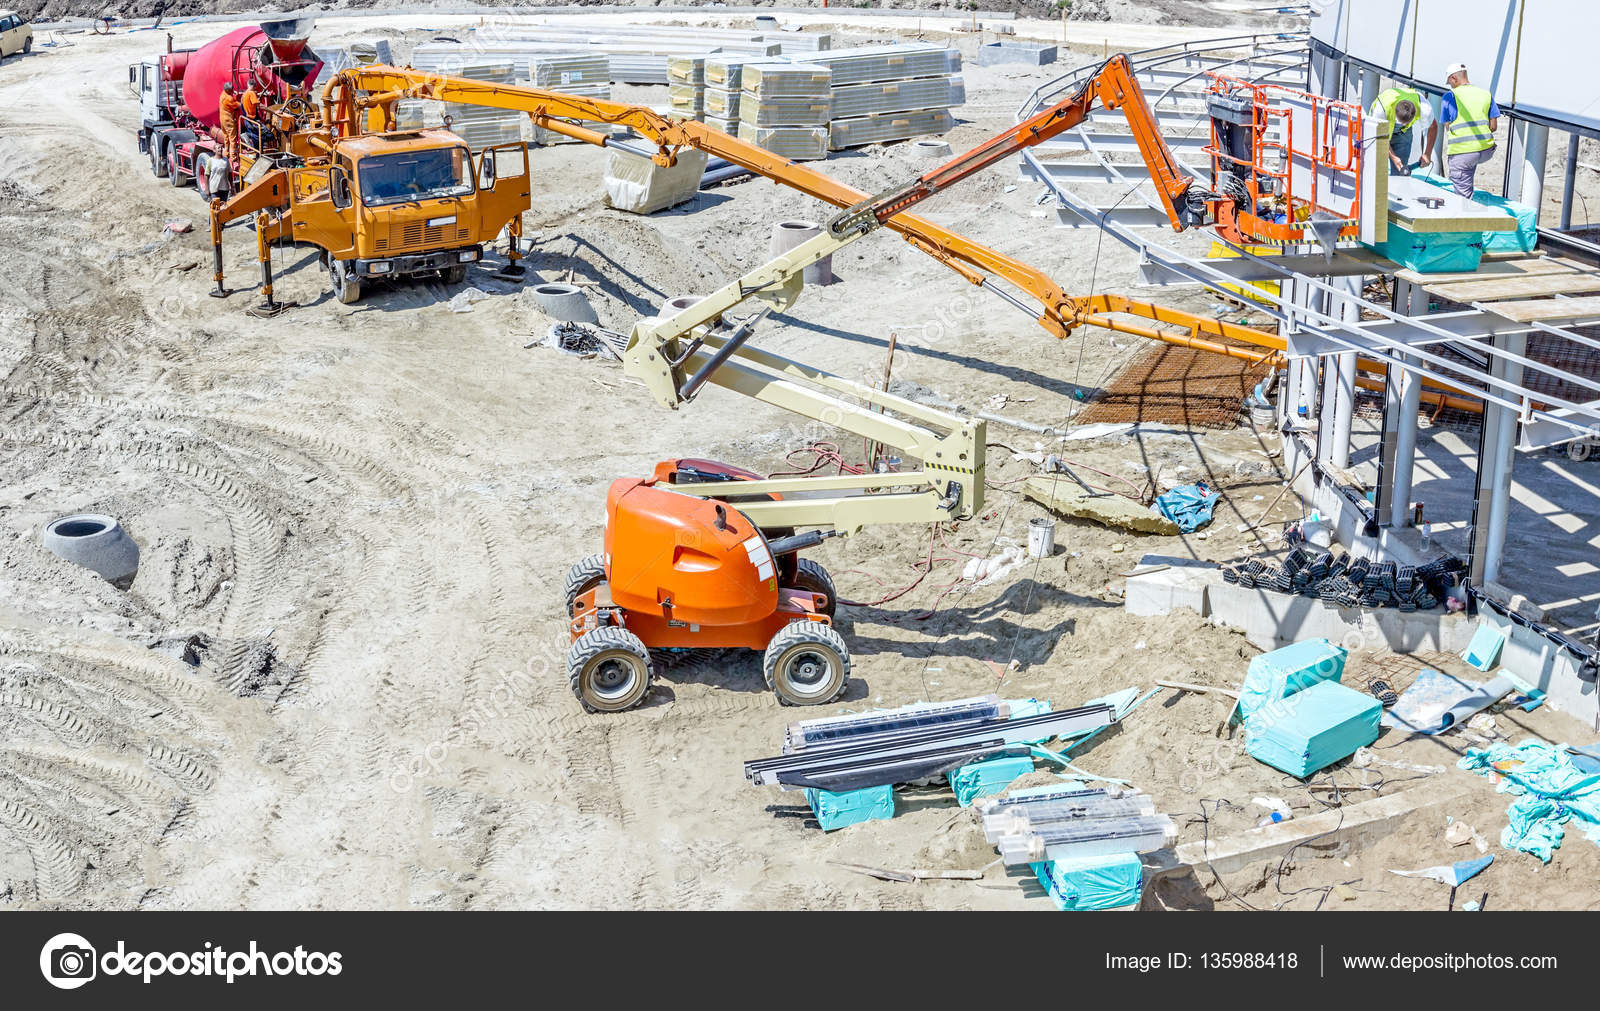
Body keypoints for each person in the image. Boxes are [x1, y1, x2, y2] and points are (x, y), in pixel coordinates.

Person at [1424, 62, 1500, 198]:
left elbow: (1448, 127)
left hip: (1463, 152)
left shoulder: (1451, 96)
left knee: (1462, 198)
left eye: (1450, 82)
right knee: (1470, 167)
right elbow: (1493, 126)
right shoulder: (1486, 94)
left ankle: (1466, 216)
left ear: (1454, 78)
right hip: (1486, 150)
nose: (1450, 86)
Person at [1371, 84, 1429, 177]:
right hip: (1381, 127)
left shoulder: (1423, 106)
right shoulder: (1381, 109)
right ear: (1395, 112)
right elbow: (1380, 137)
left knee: (1400, 171)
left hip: (1403, 132)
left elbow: (1433, 127)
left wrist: (1427, 153)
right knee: (1376, 168)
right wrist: (1393, 157)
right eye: (1402, 122)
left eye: (1407, 122)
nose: (1404, 124)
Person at [218, 81, 241, 165]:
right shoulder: (229, 98)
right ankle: (233, 157)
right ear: (229, 90)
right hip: (228, 120)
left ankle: (226, 153)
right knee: (232, 138)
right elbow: (237, 105)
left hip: (222, 119)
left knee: (226, 138)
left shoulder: (222, 94)